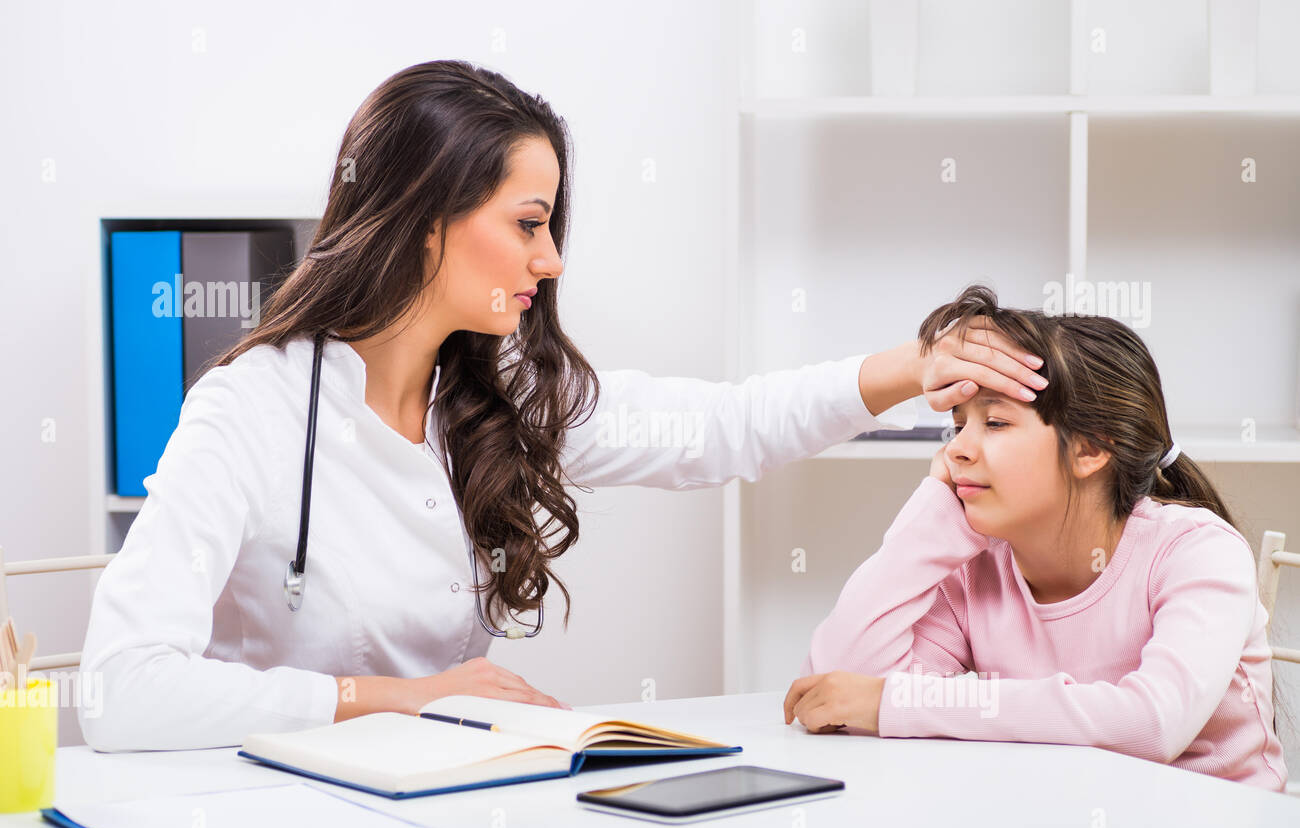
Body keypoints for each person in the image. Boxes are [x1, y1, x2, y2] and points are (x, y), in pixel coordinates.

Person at [78, 63, 1047, 752]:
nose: (550, 259)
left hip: (449, 789)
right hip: (275, 813)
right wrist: (395, 698)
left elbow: (722, 426)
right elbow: (121, 691)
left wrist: (913, 365)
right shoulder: (252, 409)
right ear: (423, 222)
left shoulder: (498, 393)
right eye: (529, 224)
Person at [785, 283, 1288, 791]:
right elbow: (836, 690)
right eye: (957, 426)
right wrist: (931, 521)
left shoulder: (1199, 553)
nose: (957, 450)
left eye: (996, 422)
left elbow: (1151, 724)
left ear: (1090, 449)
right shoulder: (976, 567)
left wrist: (897, 703)